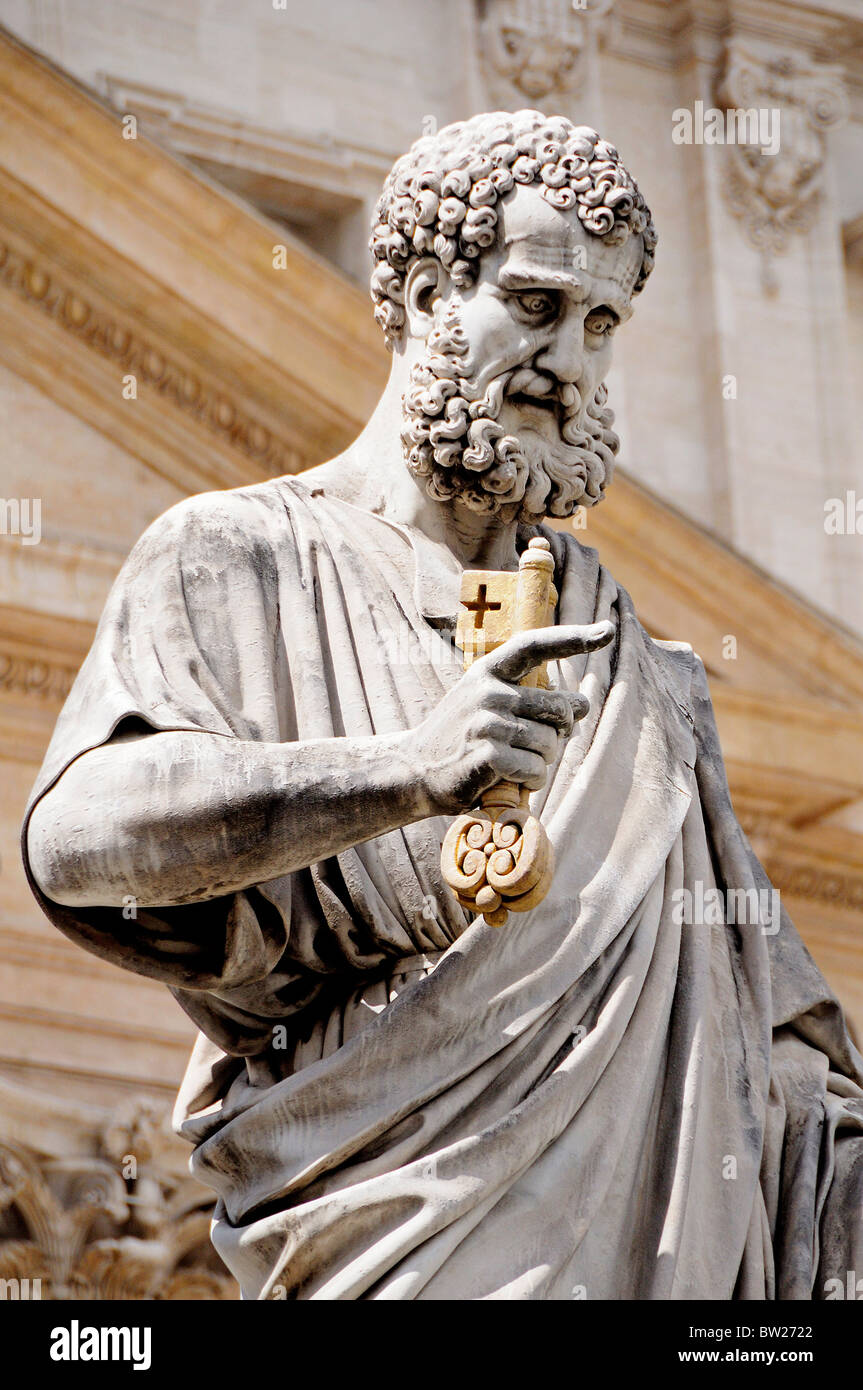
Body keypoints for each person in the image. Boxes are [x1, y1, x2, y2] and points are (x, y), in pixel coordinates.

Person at [23, 111, 863, 1300]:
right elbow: (76, 840)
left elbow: (780, 1058)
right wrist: (405, 770)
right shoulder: (235, 554)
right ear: (424, 294)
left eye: (601, 324)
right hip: (385, 1229)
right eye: (534, 304)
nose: (566, 360)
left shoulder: (642, 672)